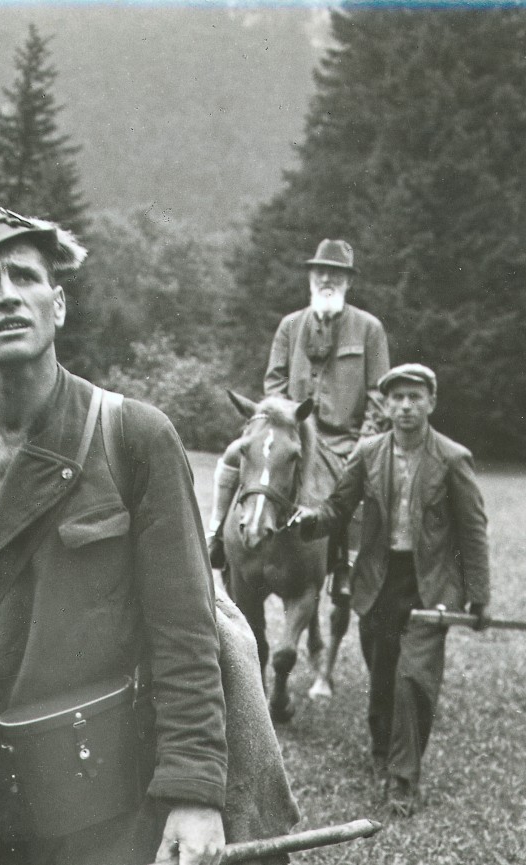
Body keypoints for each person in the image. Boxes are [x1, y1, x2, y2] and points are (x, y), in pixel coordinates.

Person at [0, 208, 227, 864]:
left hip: (99, 800)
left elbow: (185, 631)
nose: (6, 294)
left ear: (57, 305)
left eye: (25, 277)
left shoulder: (134, 438)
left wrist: (193, 791)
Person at [291, 363, 491, 817]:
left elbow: (473, 530)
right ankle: (383, 754)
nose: (405, 406)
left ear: (431, 403)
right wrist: (309, 521)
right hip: (378, 583)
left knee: (413, 679)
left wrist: (479, 594)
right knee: (382, 677)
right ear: (385, 404)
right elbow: (338, 509)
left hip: (431, 585)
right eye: (396, 398)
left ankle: (404, 778)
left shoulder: (453, 458)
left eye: (414, 397)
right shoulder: (368, 453)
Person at [209, 239, 389, 692]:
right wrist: (278, 419)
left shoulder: (369, 329)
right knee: (233, 460)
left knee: (363, 491)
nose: (326, 280)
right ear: (311, 278)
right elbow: (273, 380)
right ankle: (217, 535)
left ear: (348, 281)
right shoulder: (290, 326)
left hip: (345, 439)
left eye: (335, 274)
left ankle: (344, 567)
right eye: (319, 273)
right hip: (288, 428)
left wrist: (364, 442)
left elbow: (380, 392)